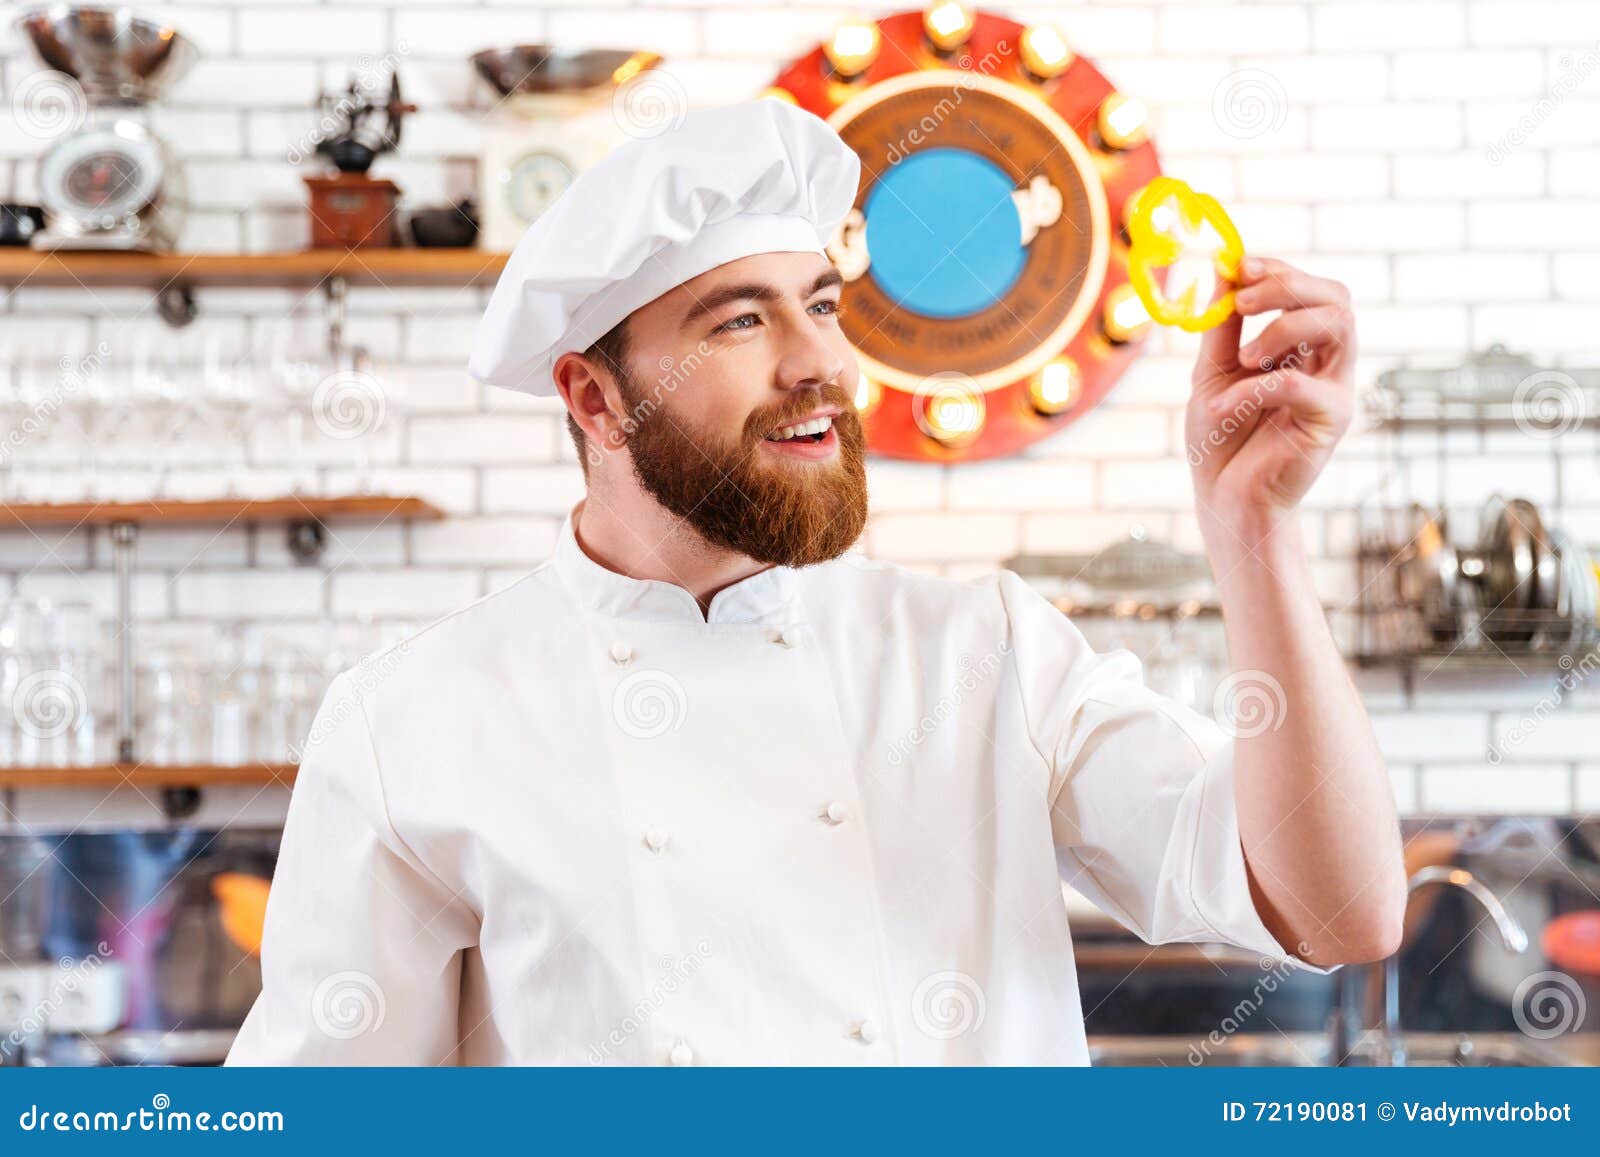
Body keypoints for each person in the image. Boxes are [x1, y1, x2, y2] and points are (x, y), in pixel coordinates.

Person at [226, 99, 1404, 1066]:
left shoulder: (983, 654)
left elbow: (1338, 910)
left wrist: (1252, 527)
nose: (820, 362)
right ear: (594, 397)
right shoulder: (414, 718)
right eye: (741, 319)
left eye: (824, 305)